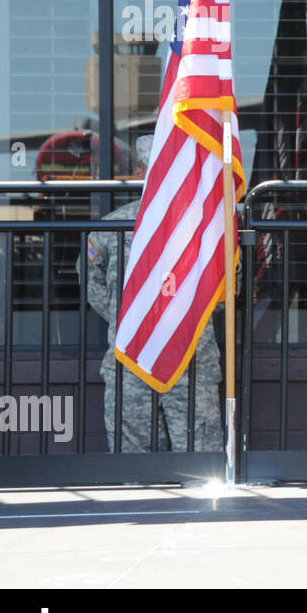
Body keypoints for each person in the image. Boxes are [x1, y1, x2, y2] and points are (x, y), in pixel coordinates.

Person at [82, 135, 222, 452]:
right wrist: (130, 316)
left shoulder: (205, 226)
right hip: (134, 357)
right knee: (139, 467)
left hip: (190, 359)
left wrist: (186, 319)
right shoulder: (112, 226)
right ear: (138, 172)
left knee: (200, 466)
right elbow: (90, 282)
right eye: (157, 168)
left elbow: (226, 288)